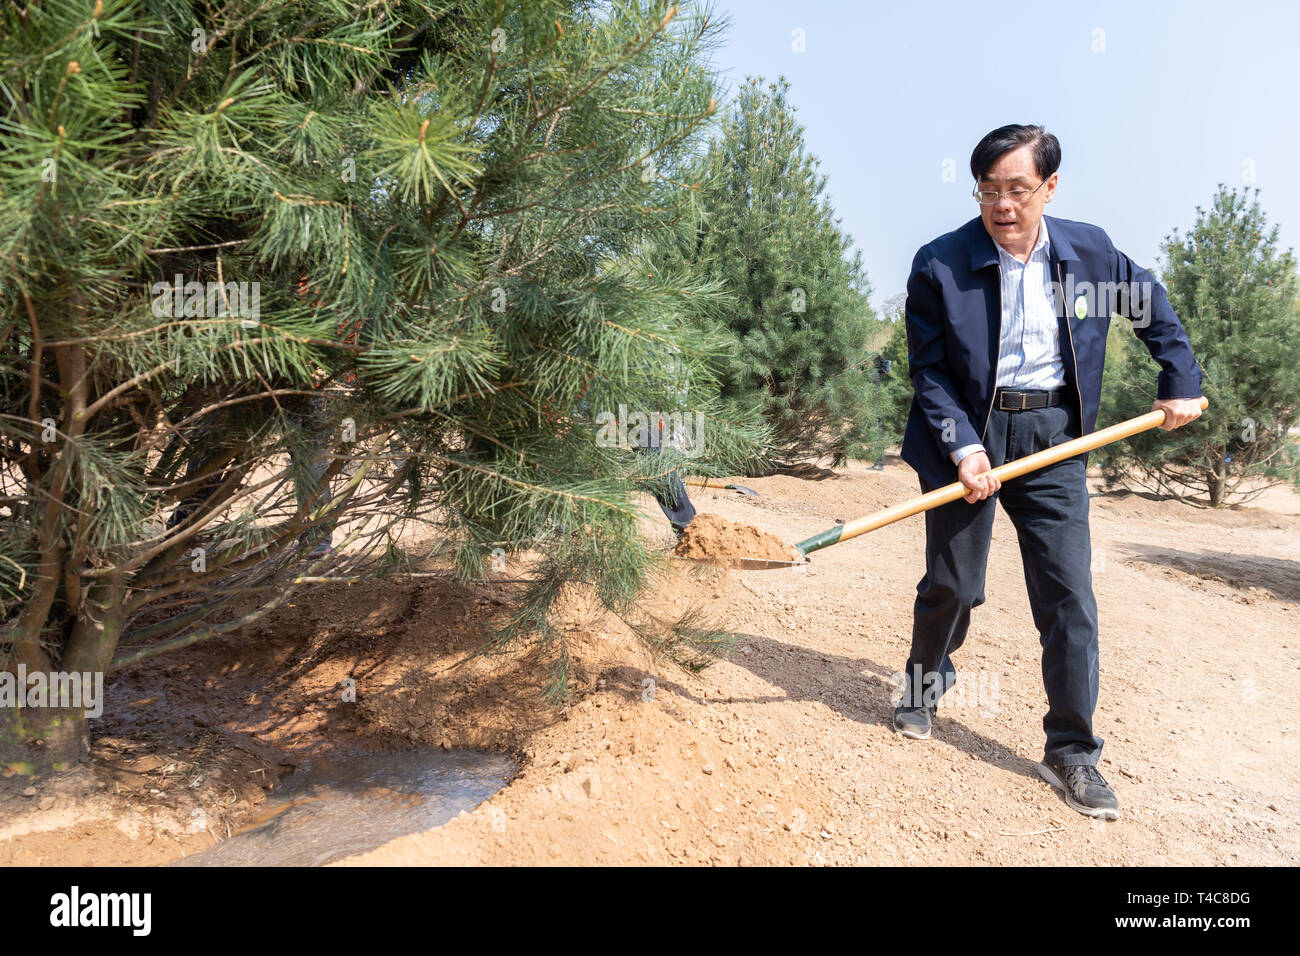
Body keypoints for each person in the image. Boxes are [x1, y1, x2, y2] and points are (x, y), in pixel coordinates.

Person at [894, 124, 1205, 820]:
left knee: (1069, 599)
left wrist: (1178, 374)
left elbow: (1148, 303)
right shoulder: (940, 263)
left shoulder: (1089, 251)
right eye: (988, 190)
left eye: (1018, 189)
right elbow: (930, 371)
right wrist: (964, 446)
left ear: (1050, 187)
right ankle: (922, 686)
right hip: (971, 431)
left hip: (1055, 436)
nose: (1002, 205)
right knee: (954, 583)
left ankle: (1073, 752)